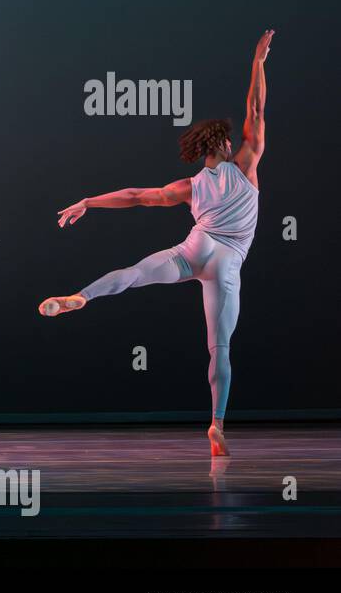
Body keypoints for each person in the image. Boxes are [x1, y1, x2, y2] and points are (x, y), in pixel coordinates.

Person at [39, 31, 274, 456]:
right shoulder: (246, 164)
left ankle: (81, 296)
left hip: (192, 251)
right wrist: (258, 61)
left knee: (132, 275)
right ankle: (217, 424)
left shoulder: (189, 186)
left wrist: (88, 202)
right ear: (224, 144)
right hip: (226, 264)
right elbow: (255, 108)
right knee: (219, 347)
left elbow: (134, 196)